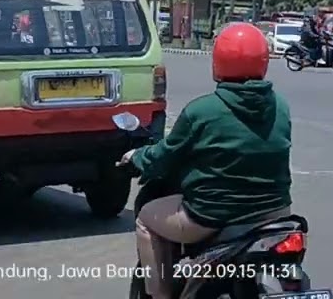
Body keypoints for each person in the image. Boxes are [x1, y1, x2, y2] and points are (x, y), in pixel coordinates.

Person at [122, 22, 292, 299]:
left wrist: (138, 157)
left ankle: (160, 294)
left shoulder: (202, 111)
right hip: (275, 213)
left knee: (145, 218)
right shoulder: (281, 106)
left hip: (211, 216)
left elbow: (164, 155)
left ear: (218, 62)